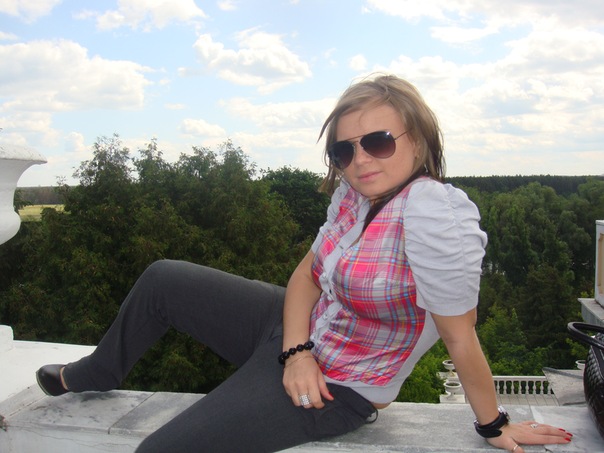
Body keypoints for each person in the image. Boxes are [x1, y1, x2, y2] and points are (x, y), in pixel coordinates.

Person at [36, 74, 572, 453]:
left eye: (378, 141)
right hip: (299, 336)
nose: (359, 160)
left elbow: (460, 336)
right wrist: (296, 351)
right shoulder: (353, 196)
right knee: (164, 279)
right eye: (344, 151)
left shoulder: (435, 215)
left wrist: (493, 425)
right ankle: (99, 370)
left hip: (338, 385)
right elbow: (305, 276)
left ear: (420, 139)